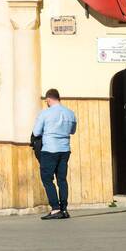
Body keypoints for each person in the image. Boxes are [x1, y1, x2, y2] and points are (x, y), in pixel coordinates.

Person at [33, 88, 78, 220]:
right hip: (64, 150)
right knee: (62, 180)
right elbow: (73, 131)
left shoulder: (45, 113)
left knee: (47, 179)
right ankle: (64, 209)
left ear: (48, 99)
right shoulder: (70, 113)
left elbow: (36, 133)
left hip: (49, 150)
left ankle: (55, 209)